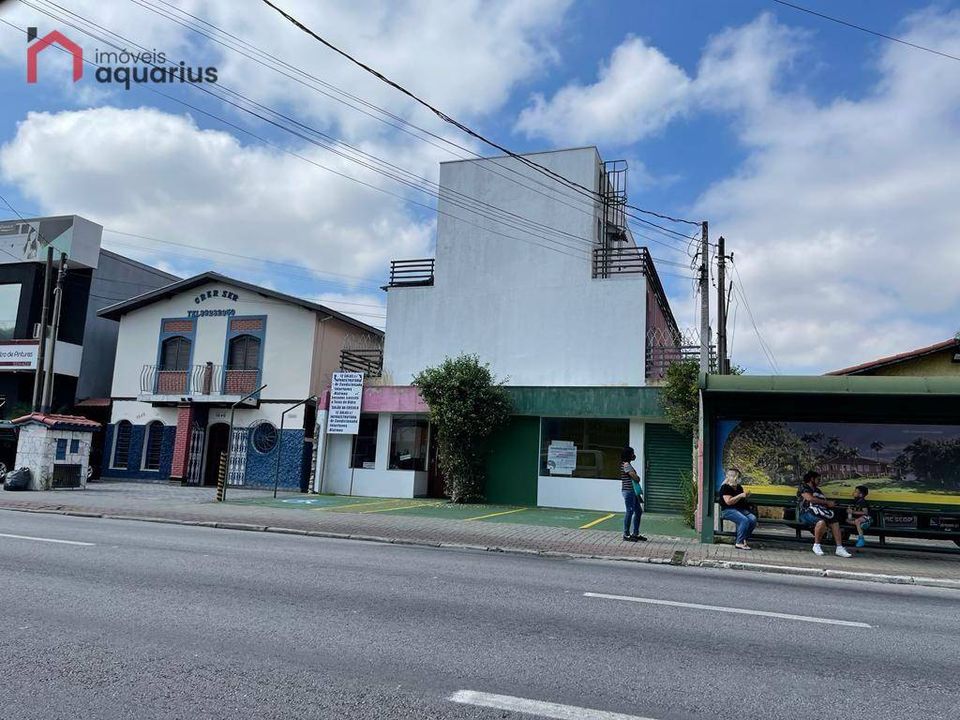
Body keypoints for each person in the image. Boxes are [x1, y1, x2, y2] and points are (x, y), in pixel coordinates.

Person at [797, 470, 852, 558]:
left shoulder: (818, 490)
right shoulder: (803, 487)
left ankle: (839, 548)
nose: (819, 481)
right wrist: (827, 502)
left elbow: (822, 502)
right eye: (818, 479)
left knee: (834, 521)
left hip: (819, 512)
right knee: (821, 522)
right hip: (806, 513)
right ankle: (816, 545)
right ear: (812, 479)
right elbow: (810, 499)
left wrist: (830, 504)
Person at [718, 467, 756, 550]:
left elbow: (741, 500)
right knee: (744, 520)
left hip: (739, 509)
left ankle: (744, 539)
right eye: (731, 475)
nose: (734, 477)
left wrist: (745, 495)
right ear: (727, 476)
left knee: (752, 519)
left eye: (735, 475)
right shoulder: (725, 487)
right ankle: (739, 543)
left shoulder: (739, 487)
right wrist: (740, 495)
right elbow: (728, 502)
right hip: (728, 510)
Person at [620, 446, 646, 542]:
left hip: (632, 491)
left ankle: (635, 533)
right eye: (632, 453)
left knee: (638, 511)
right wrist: (637, 477)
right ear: (628, 455)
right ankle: (626, 534)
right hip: (629, 491)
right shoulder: (626, 465)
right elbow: (635, 478)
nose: (633, 455)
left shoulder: (627, 464)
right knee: (630, 511)